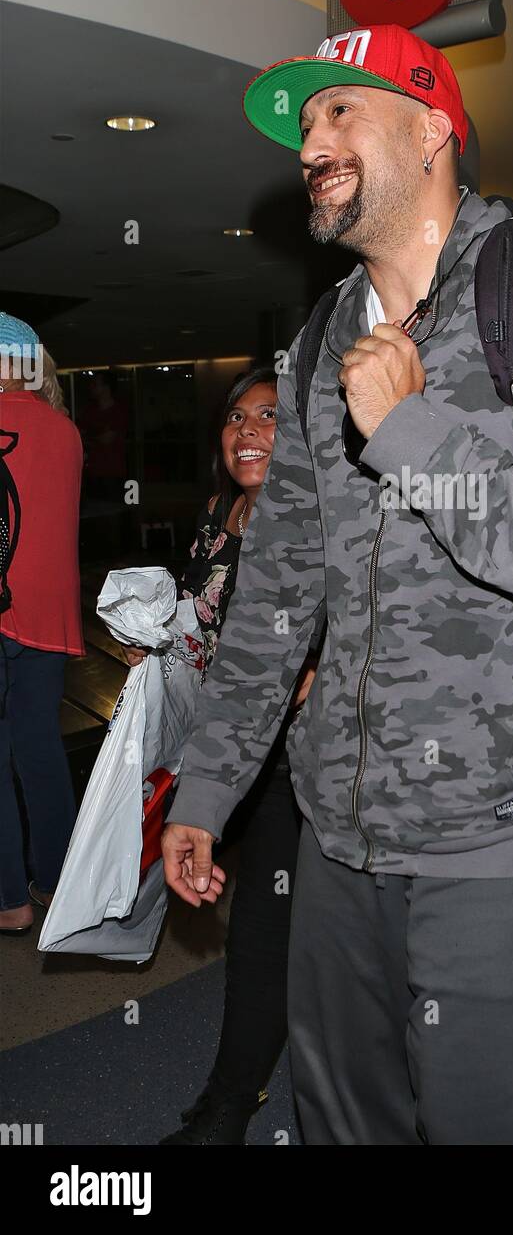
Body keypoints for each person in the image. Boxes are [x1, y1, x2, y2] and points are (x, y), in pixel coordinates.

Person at [164, 23, 513, 1145]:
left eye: (340, 109)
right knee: (344, 1126)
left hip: (510, 837)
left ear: (432, 126)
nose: (311, 140)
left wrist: (411, 432)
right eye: (303, 125)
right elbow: (281, 589)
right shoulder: (316, 346)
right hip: (340, 840)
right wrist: (210, 786)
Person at [120, 368, 317, 1143]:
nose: (247, 432)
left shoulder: (317, 525)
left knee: (275, 938)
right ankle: (233, 1104)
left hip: (308, 770)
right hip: (230, 756)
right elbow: (196, 624)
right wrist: (158, 653)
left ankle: (231, 1107)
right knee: (262, 933)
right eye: (235, 418)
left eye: (269, 417)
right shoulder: (216, 516)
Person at [0, 317, 85, 936]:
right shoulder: (66, 433)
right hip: (48, 620)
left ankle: (9, 900)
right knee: (39, 752)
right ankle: (56, 883)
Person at [77, 371, 129, 503]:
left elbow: (107, 439)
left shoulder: (119, 411)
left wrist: (89, 437)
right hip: (93, 473)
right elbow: (80, 436)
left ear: (106, 387)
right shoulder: (89, 411)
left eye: (96, 384)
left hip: (114, 473)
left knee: (115, 513)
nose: (92, 387)